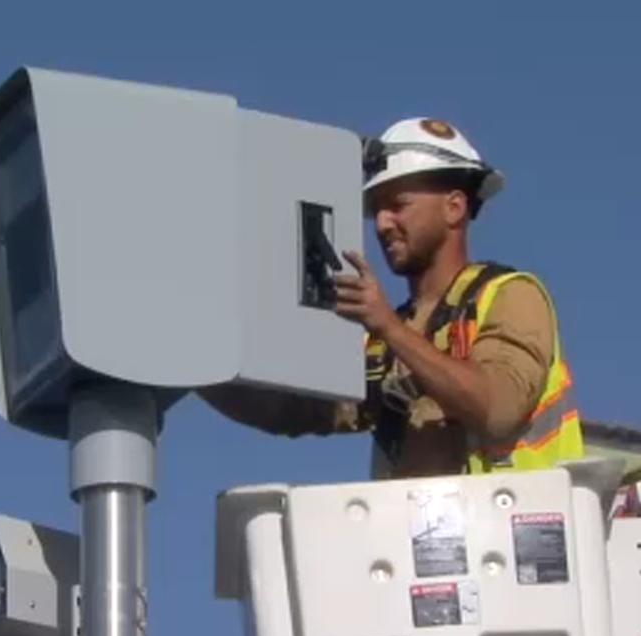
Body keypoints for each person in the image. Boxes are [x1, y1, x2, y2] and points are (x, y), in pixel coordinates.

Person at [199, 116, 585, 479]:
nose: (382, 223)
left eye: (398, 205)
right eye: (377, 211)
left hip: (514, 524)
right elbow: (290, 408)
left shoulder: (511, 295)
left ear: (454, 208)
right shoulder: (385, 339)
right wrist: (195, 367)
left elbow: (498, 409)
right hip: (418, 527)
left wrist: (388, 327)